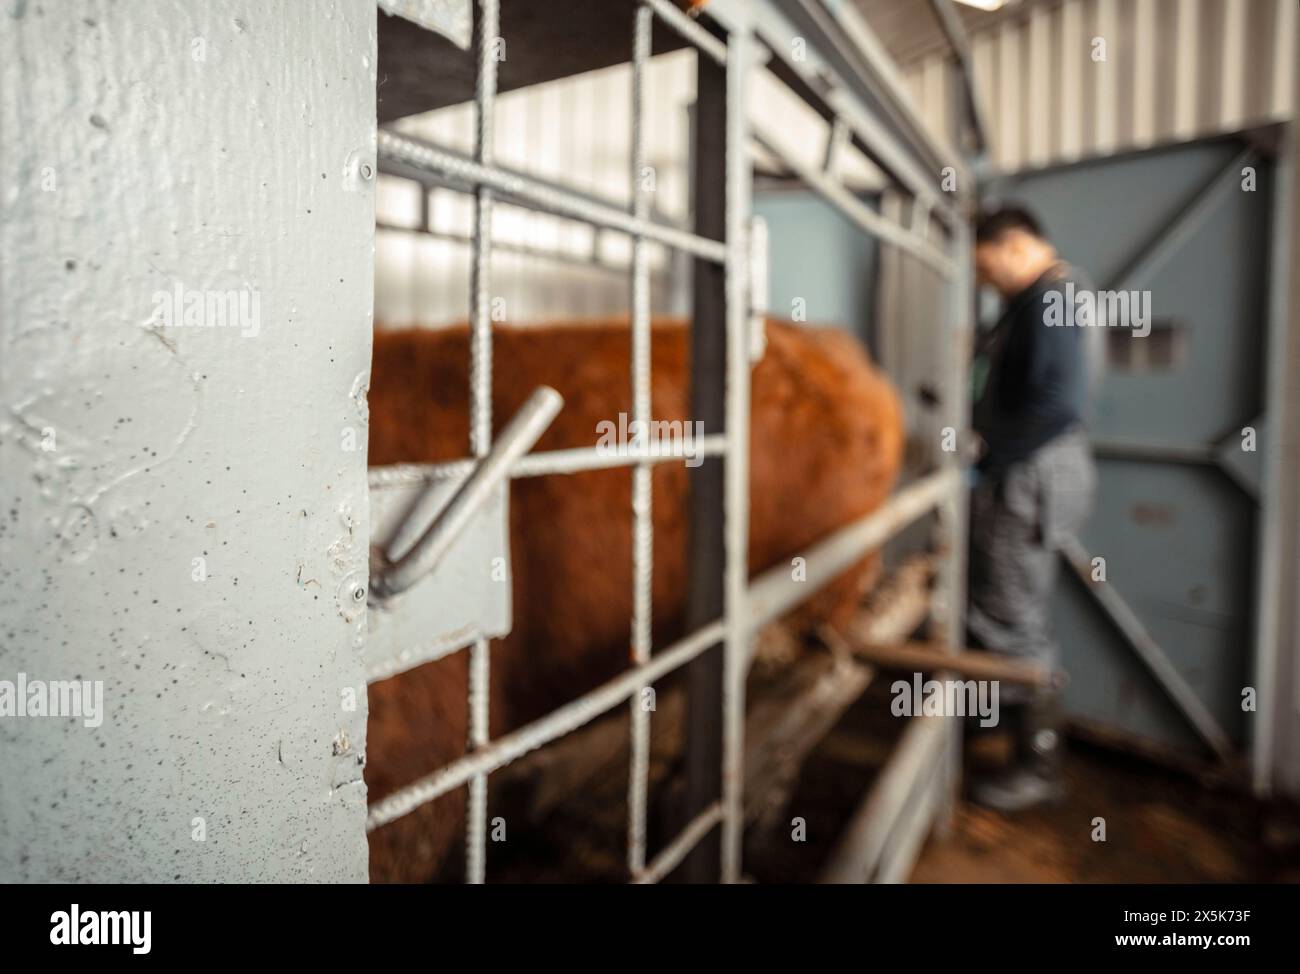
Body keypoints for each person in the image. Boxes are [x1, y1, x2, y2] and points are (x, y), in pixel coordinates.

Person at [967, 205, 1100, 812]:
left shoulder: (1053, 298)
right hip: (1037, 470)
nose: (986, 279)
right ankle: (995, 724)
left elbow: (1058, 405)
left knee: (1014, 620)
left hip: (1030, 474)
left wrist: (989, 455)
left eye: (987, 266)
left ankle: (1041, 767)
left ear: (1014, 246)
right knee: (1008, 608)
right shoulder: (1047, 299)